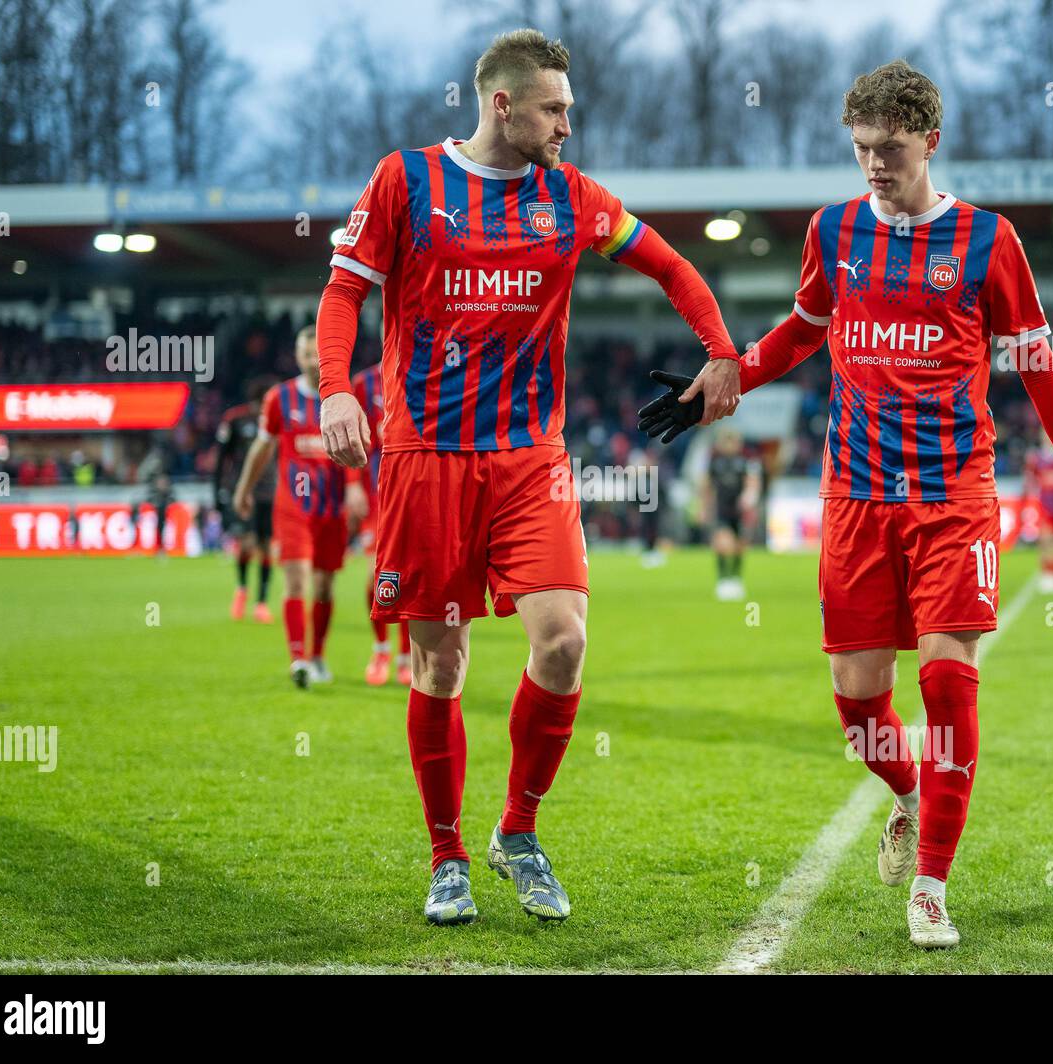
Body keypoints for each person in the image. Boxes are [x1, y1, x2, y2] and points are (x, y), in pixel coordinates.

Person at [641, 60, 1053, 949]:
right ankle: (911, 798)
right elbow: (802, 333)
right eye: (860, 149)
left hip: (953, 494)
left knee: (945, 673)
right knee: (860, 707)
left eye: (888, 149)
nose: (873, 166)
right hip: (854, 496)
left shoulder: (987, 241)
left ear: (930, 141)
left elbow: (1037, 363)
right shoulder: (835, 229)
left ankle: (931, 886)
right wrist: (725, 377)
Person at [315, 29, 739, 925]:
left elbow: (669, 264)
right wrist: (333, 392)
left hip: (530, 461)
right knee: (440, 659)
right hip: (426, 459)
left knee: (565, 641)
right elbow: (345, 290)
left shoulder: (573, 197)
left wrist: (722, 354)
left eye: (570, 108)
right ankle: (447, 857)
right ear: (501, 104)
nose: (567, 125)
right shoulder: (405, 181)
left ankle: (518, 831)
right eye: (554, 108)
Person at [233, 326, 368, 687]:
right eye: (306, 353)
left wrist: (355, 489)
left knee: (324, 587)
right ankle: (299, 660)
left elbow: (357, 448)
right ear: (297, 356)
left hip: (331, 509)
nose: (313, 360)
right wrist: (243, 489)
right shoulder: (280, 398)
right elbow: (262, 447)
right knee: (297, 581)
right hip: (292, 507)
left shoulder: (345, 398)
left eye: (317, 354)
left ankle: (319, 655)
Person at [351, 361, 412, 686]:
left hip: (416, 488)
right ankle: (380, 649)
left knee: (411, 574)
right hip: (377, 493)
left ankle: (405, 655)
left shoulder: (427, 368)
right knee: (378, 572)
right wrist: (351, 485)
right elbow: (353, 434)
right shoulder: (365, 382)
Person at [215, 377, 277, 623]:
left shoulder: (277, 420)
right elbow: (222, 460)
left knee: (266, 548)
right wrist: (219, 493)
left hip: (270, 493)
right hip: (244, 491)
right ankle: (242, 589)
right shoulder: (236, 419)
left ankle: (261, 603)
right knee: (248, 544)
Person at [701, 428, 761, 600]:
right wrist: (704, 507)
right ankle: (723, 579)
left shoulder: (745, 460)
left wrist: (749, 498)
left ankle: (735, 578)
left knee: (740, 545)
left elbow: (752, 482)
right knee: (721, 543)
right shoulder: (714, 461)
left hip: (739, 510)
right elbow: (707, 485)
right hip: (722, 509)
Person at [1023, 431, 1053, 594]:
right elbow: (1030, 481)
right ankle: (1046, 573)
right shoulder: (1037, 458)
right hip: (1044, 505)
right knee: (1046, 539)